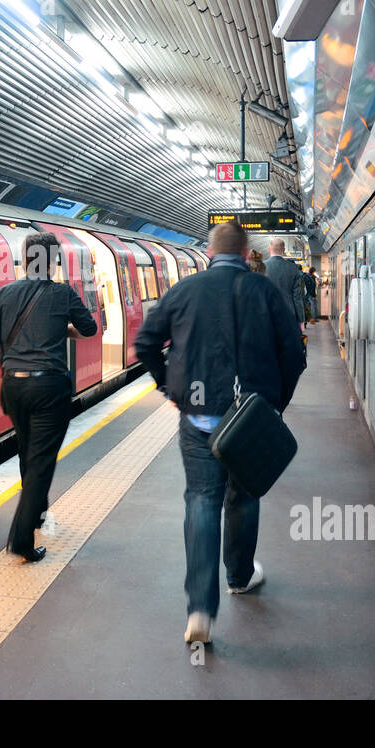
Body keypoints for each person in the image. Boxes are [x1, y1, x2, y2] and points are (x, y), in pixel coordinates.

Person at [134, 221, 306, 645]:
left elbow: (144, 344)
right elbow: (295, 356)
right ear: (247, 254)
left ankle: (199, 612)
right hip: (248, 418)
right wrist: (272, 407)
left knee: (202, 500)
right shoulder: (264, 292)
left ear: (210, 251)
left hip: (198, 417)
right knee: (243, 496)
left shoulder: (185, 290)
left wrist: (168, 386)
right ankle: (240, 577)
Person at [0, 232, 98, 562]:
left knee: (27, 451)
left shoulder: (5, 292)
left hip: (13, 386)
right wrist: (63, 330)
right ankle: (21, 538)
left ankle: (39, 512)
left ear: (25, 259)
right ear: (54, 260)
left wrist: (8, 359)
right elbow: (89, 329)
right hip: (49, 388)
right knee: (41, 462)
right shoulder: (62, 293)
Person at [263, 237, 307, 334]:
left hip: (266, 315)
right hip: (288, 316)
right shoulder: (293, 268)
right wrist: (301, 321)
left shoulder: (262, 267)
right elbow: (297, 297)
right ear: (283, 250)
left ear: (269, 250)